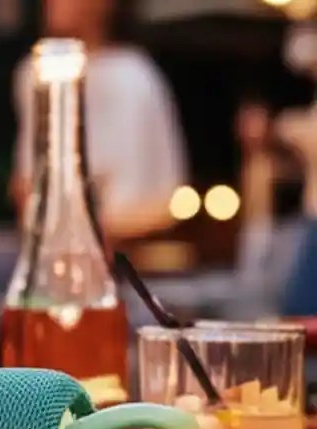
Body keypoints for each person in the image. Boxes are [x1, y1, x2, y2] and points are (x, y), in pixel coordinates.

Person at [11, 0, 188, 248]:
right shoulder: (34, 73)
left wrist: (98, 231)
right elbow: (27, 180)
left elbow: (160, 199)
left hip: (123, 259)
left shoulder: (135, 77)